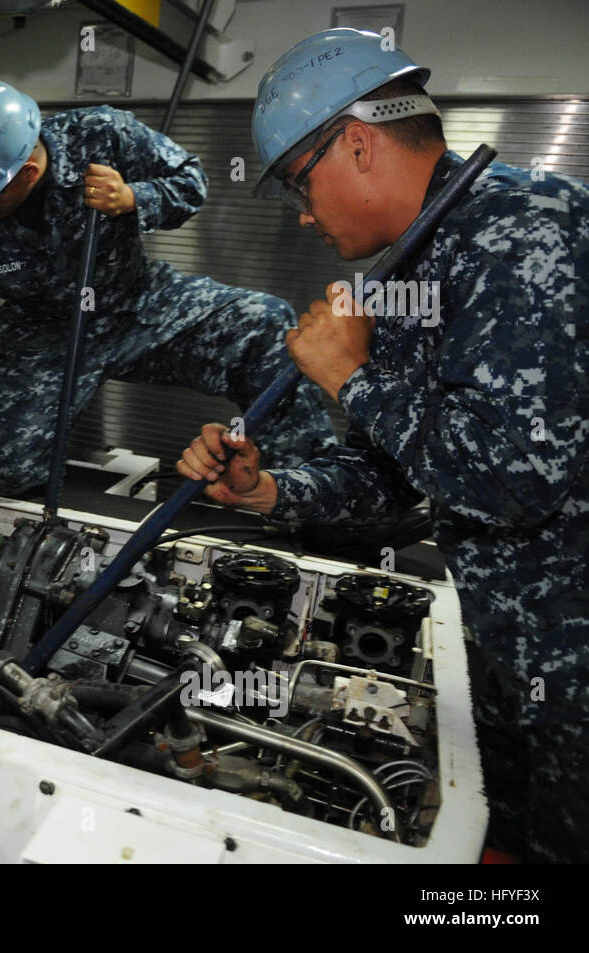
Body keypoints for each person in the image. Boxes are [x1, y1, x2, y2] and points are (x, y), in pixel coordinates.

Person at [174, 29, 588, 862]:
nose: (301, 210)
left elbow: (515, 479)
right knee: (498, 838)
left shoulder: (526, 234)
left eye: (299, 180)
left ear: (358, 143)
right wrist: (270, 491)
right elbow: (400, 479)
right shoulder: (412, 269)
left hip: (575, 667)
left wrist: (349, 375)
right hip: (505, 645)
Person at [0, 79, 335, 496]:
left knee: (263, 323)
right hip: (46, 335)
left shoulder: (102, 133)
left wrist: (134, 199)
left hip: (139, 305)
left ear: (28, 174)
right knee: (5, 466)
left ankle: (310, 492)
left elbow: (191, 181)